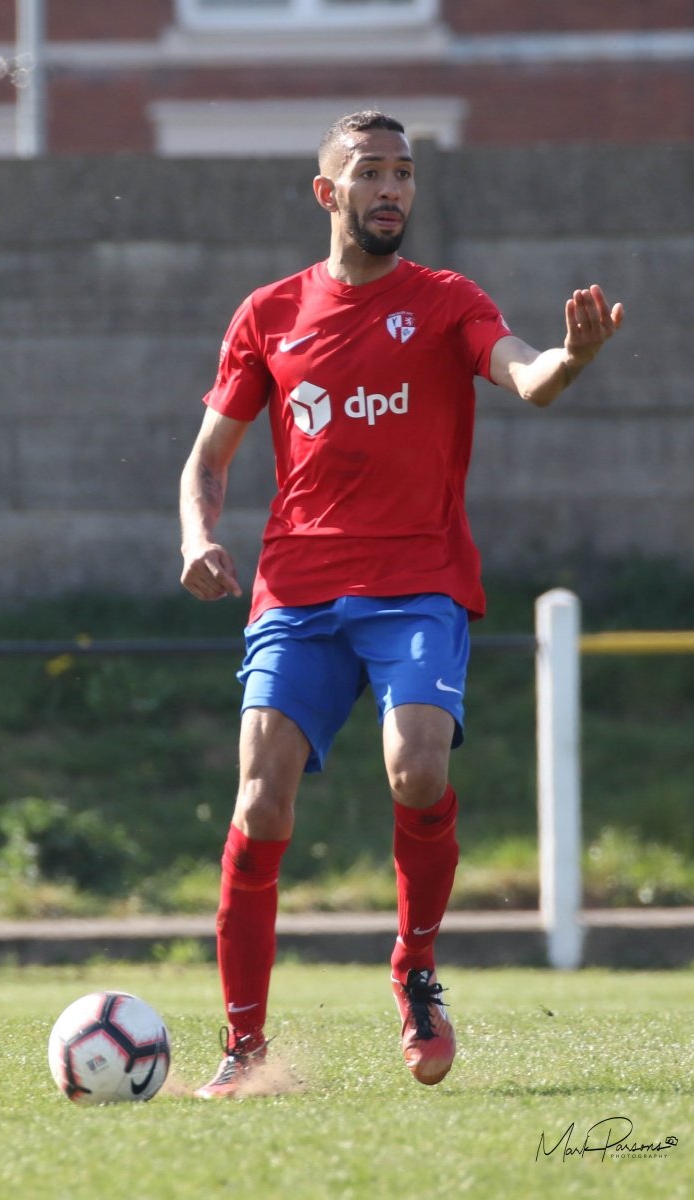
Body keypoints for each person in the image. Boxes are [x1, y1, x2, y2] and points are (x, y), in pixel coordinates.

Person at [179, 110, 623, 1099]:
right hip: (294, 590)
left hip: (416, 582)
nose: (391, 191)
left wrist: (570, 359)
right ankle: (244, 1047)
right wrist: (197, 538)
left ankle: (415, 970)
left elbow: (525, 377)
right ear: (326, 193)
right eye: (370, 173)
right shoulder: (269, 314)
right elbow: (207, 461)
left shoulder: (445, 301)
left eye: (404, 174)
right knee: (259, 798)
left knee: (416, 771)